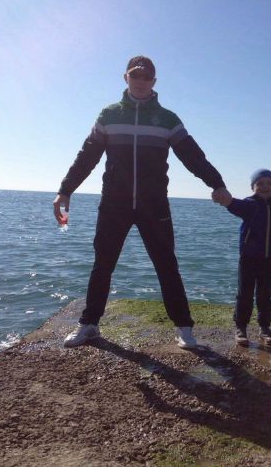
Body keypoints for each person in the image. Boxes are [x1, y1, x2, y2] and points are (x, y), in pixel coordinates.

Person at [53, 56, 230, 350]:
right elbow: (87, 155)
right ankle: (90, 324)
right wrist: (65, 190)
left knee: (167, 265)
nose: (140, 80)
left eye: (146, 76)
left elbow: (193, 156)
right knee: (103, 264)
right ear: (126, 77)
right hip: (114, 203)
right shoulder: (109, 115)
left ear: (154, 82)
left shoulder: (168, 119)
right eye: (135, 75)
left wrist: (217, 183)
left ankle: (184, 328)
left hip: (154, 205)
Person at [217, 169, 271, 347]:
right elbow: (233, 204)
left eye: (269, 183)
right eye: (260, 183)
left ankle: (265, 328)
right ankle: (241, 328)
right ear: (253, 187)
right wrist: (224, 198)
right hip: (248, 257)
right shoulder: (250, 205)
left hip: (269, 258)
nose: (265, 187)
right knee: (245, 294)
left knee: (264, 294)